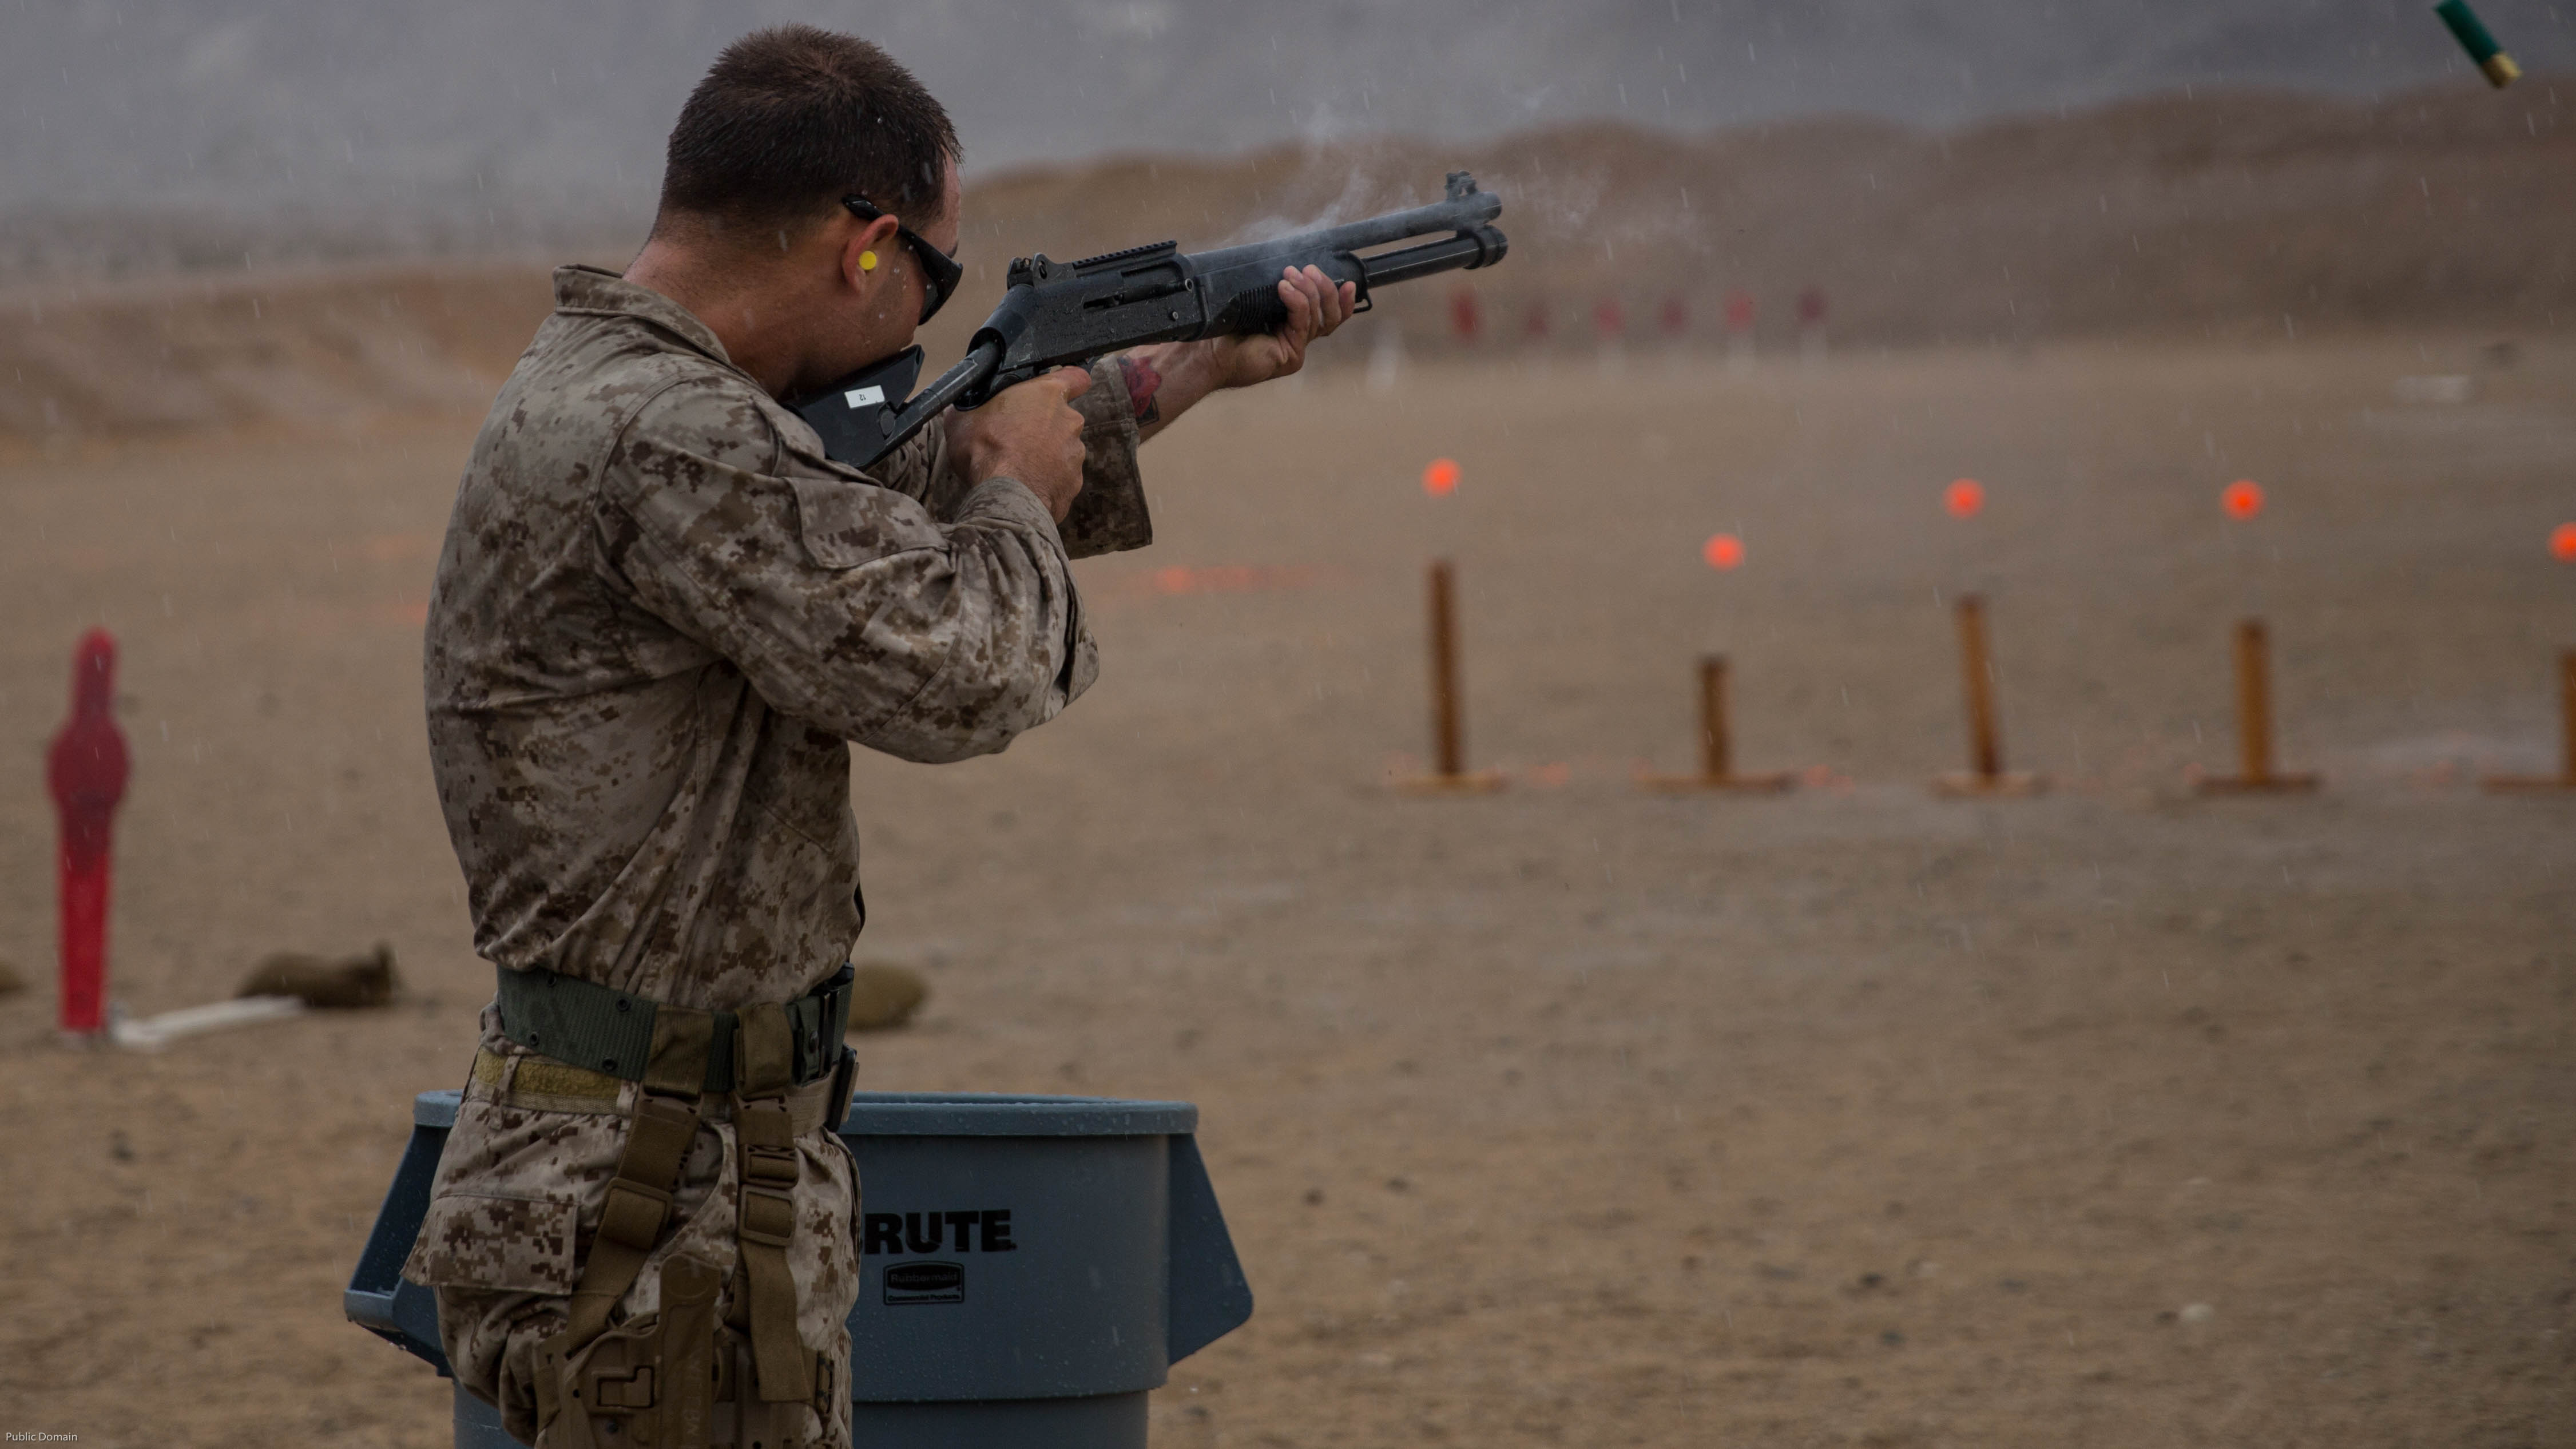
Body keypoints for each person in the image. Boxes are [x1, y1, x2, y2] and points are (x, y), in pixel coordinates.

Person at [402, 25, 1354, 1449]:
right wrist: (1018, 493)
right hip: (651, 1204)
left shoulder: (654, 394)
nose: (929, 319)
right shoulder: (669, 433)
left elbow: (888, 475)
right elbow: (962, 669)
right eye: (934, 276)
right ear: (864, 247)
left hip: (668, 1174)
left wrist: (1184, 368)